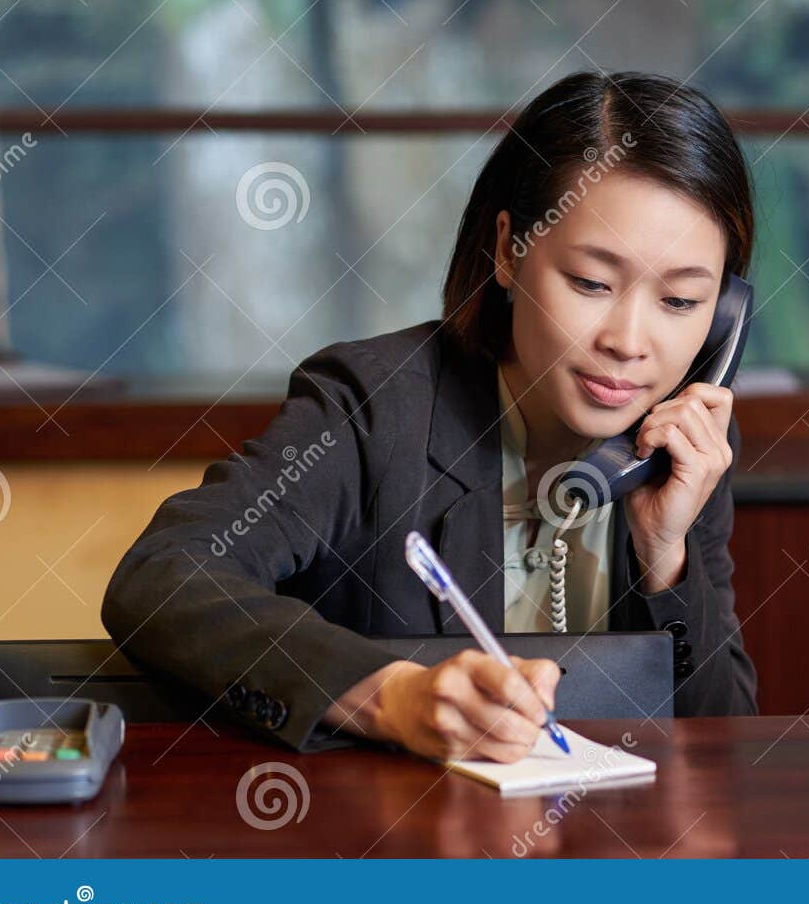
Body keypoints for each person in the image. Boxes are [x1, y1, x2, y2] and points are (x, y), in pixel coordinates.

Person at [101, 70, 759, 763]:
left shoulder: (680, 444)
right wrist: (389, 696)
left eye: (681, 302)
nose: (629, 341)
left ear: (724, 317)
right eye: (591, 283)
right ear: (509, 250)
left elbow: (724, 741)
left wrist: (665, 558)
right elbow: (162, 577)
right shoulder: (377, 406)